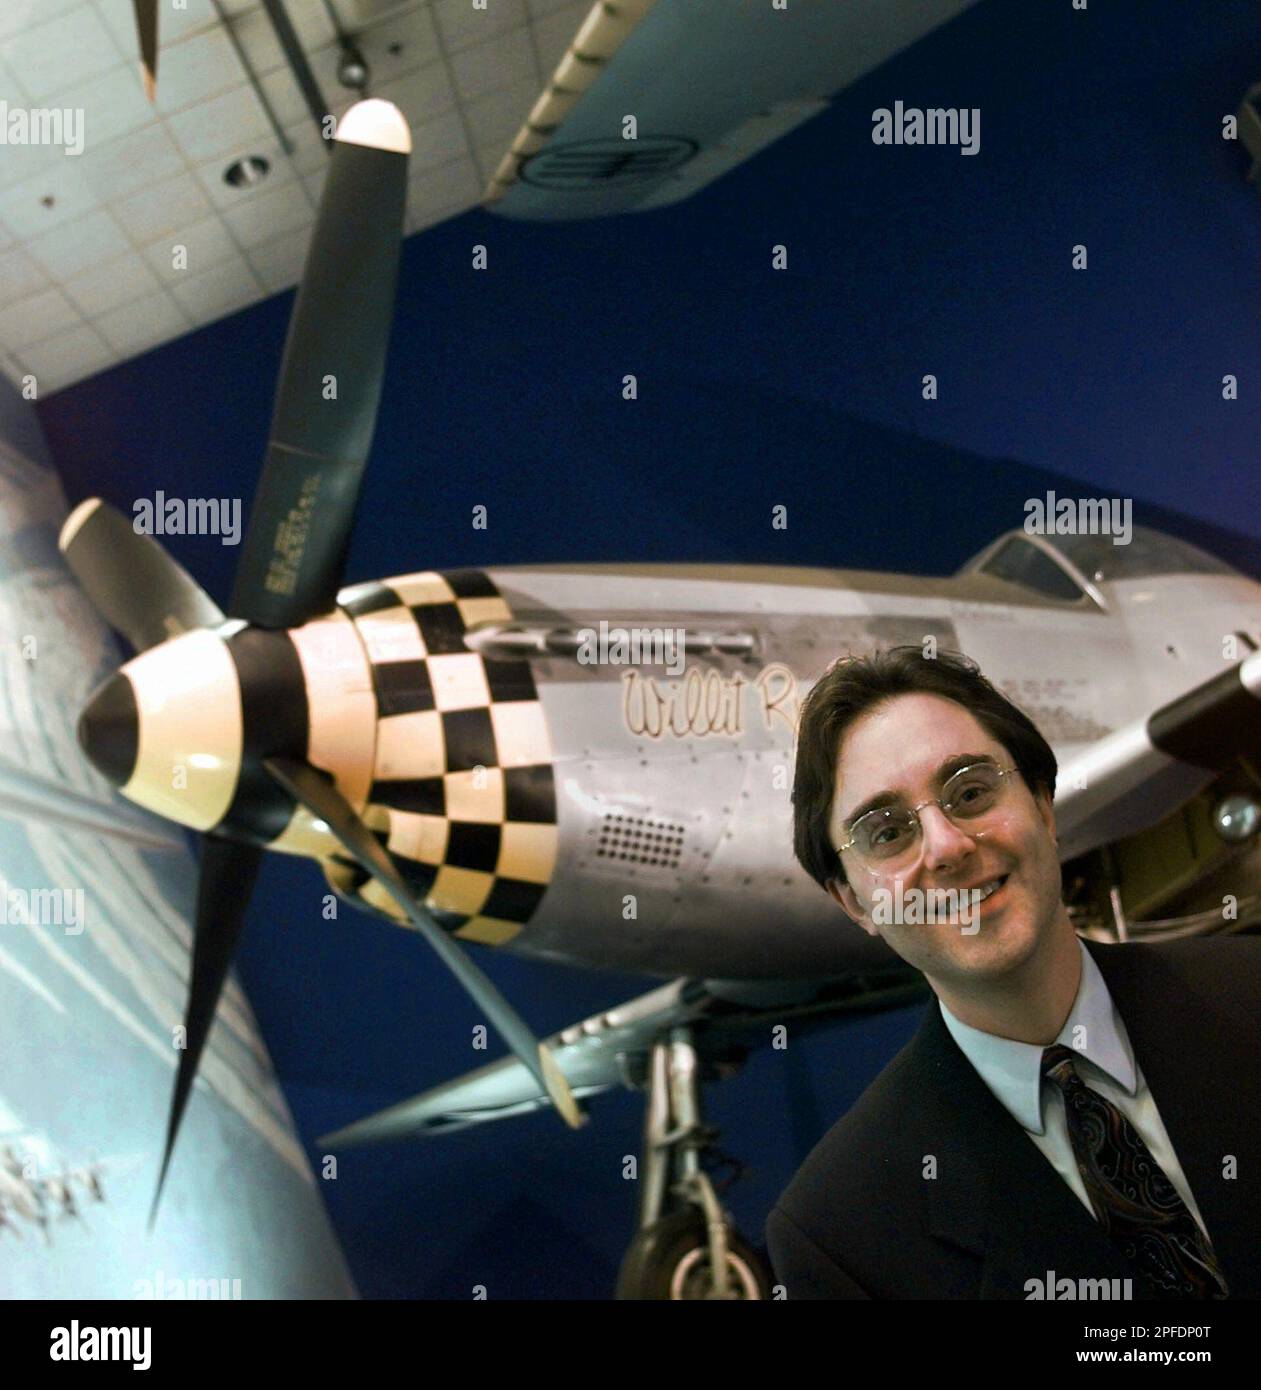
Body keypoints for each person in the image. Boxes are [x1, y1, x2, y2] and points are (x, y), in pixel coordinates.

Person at [765, 646, 1261, 1299]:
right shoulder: (837, 1236)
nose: (945, 847)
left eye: (969, 791)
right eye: (885, 832)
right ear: (854, 902)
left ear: (1044, 809)